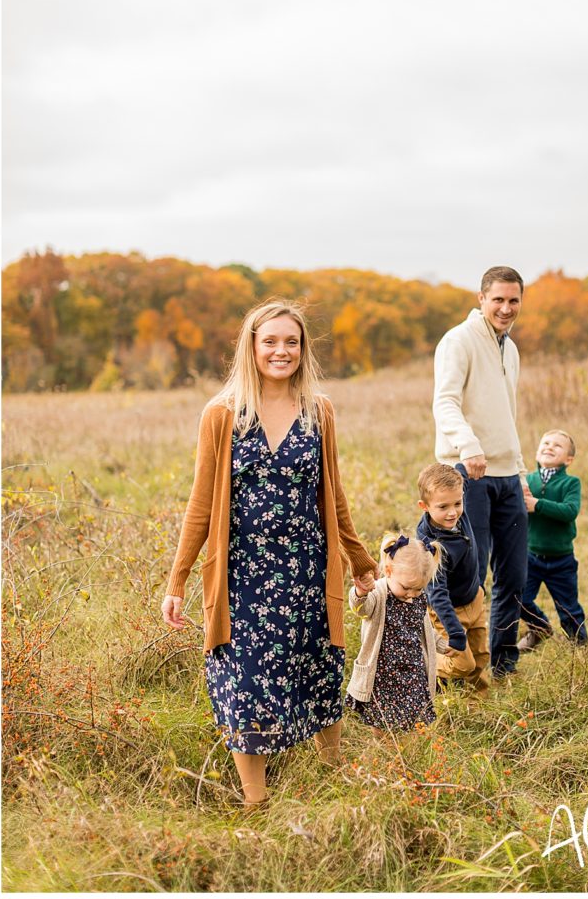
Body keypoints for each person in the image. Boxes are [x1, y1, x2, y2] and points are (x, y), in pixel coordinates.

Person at [161, 300, 377, 806]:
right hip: (243, 576)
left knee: (318, 665)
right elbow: (200, 504)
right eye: (271, 342)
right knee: (248, 681)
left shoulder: (318, 410)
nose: (282, 351)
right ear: (251, 347)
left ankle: (332, 773)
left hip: (306, 570)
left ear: (303, 349)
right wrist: (178, 580)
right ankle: (255, 800)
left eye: (292, 342)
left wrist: (360, 560)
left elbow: (333, 492)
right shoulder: (222, 415)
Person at [432, 265, 528, 679]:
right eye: (498, 300)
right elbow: (445, 402)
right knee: (470, 575)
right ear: (481, 298)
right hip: (469, 473)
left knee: (513, 574)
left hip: (508, 477)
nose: (506, 308)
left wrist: (521, 475)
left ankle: (503, 664)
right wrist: (469, 447)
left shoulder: (511, 348)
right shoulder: (459, 340)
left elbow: (507, 416)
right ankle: (461, 667)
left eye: (513, 300)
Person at [344, 534, 453, 734]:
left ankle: (404, 755)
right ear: (388, 571)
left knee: (412, 722)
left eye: (419, 589)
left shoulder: (418, 599)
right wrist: (360, 593)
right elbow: (362, 609)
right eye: (406, 588)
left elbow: (425, 630)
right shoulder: (378, 593)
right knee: (382, 724)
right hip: (382, 675)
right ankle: (382, 752)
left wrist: (443, 646)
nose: (412, 594)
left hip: (412, 673)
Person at [416, 462, 490, 696]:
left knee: (480, 656)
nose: (452, 512)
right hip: (449, 612)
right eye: (443, 506)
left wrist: (465, 463)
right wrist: (455, 632)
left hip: (474, 598)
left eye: (457, 504)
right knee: (462, 664)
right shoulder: (433, 549)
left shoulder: (456, 510)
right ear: (424, 507)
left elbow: (462, 475)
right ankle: (424, 666)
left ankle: (478, 701)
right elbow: (437, 595)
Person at [519, 429, 587, 649]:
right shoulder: (527, 481)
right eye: (545, 443)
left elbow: (570, 511)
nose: (549, 447)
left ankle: (580, 647)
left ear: (569, 459)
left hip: (561, 559)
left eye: (557, 446)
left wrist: (537, 505)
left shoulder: (570, 484)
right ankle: (540, 628)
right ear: (537, 453)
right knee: (519, 599)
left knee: (568, 608)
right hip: (531, 556)